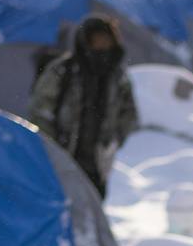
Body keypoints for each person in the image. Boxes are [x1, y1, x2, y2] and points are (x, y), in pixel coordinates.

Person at [29, 14, 139, 198]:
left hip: (98, 161)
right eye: (96, 40)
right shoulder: (63, 71)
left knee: (93, 203)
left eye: (106, 40)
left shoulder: (117, 78)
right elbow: (39, 110)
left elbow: (129, 113)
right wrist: (52, 144)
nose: (102, 45)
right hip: (64, 154)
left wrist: (114, 140)